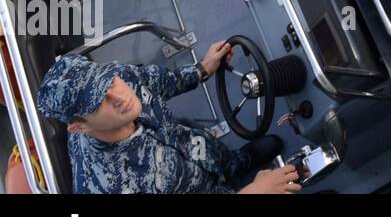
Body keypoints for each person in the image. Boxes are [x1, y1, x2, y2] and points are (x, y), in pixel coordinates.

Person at [36, 49, 298, 194]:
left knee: (226, 159)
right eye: (100, 101)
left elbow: (159, 81)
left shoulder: (121, 77)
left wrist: (202, 68)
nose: (120, 94)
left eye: (110, 82)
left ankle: (239, 164)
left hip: (202, 152)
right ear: (80, 127)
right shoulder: (106, 188)